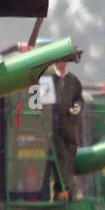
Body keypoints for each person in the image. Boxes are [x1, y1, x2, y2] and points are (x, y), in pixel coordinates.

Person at [41, 52, 85, 200]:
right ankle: (66, 191)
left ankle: (64, 191)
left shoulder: (72, 80)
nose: (61, 62)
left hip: (69, 127)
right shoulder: (46, 78)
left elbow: (79, 99)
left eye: (64, 60)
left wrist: (77, 107)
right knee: (61, 159)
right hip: (51, 128)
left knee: (68, 158)